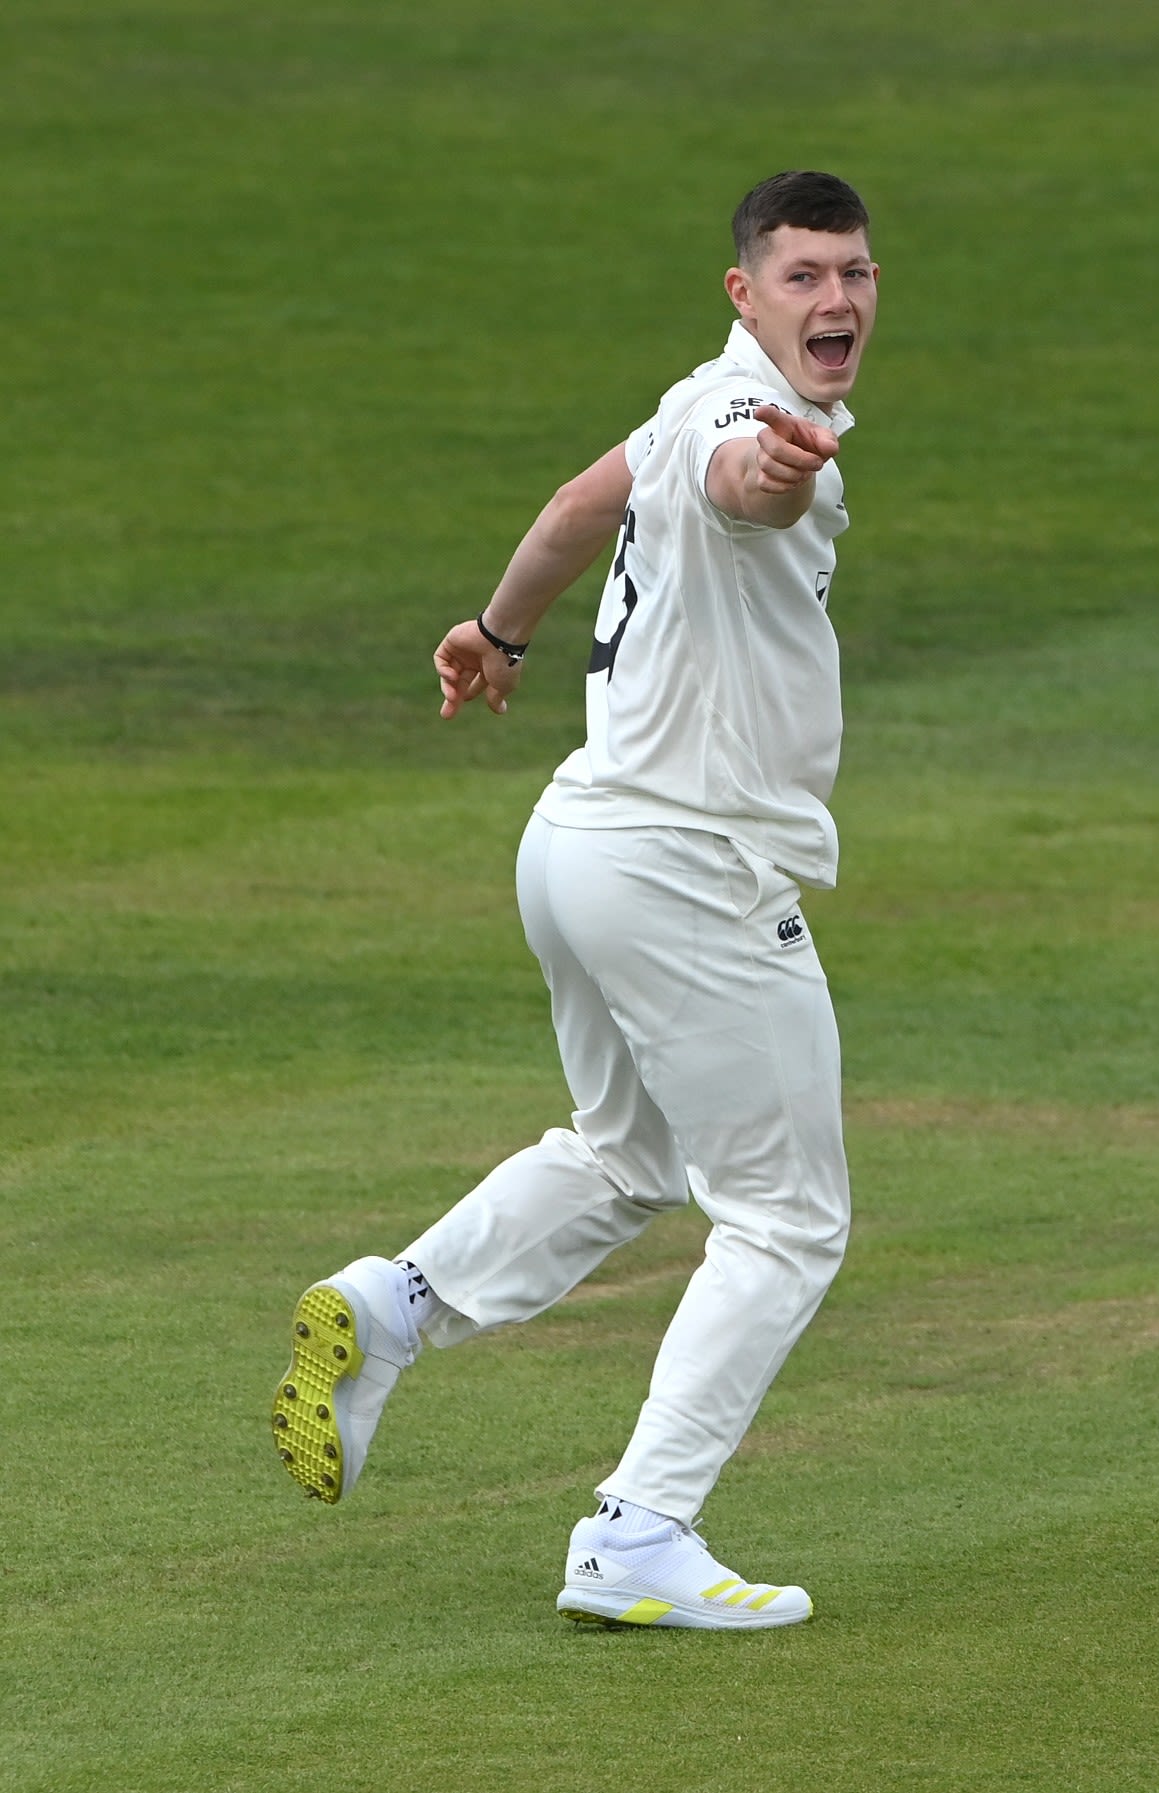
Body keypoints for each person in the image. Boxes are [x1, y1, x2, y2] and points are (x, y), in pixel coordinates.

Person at [271, 170, 880, 1630]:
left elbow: (572, 505)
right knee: (789, 1219)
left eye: (854, 273)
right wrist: (779, 472)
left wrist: (497, 631)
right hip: (684, 868)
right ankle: (637, 1530)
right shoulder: (744, 426)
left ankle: (392, 1307)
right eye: (802, 276)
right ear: (746, 294)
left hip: (576, 843)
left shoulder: (682, 401)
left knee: (629, 1154)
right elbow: (746, 483)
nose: (838, 300)